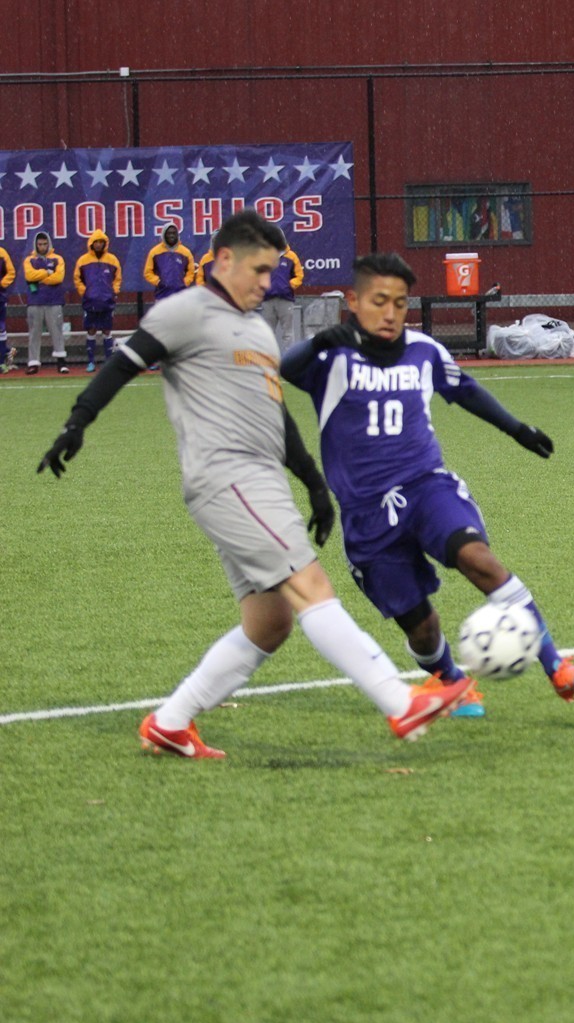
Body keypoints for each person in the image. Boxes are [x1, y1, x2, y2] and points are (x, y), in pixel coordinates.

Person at [37, 211, 472, 759]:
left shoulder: (258, 330)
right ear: (225, 260)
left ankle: (171, 723)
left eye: (274, 272)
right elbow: (123, 364)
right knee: (311, 586)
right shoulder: (186, 311)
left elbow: (276, 416)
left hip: (260, 479)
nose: (268, 283)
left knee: (269, 624)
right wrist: (77, 421)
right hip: (228, 475)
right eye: (261, 270)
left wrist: (313, 482)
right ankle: (398, 701)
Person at [280, 252, 574, 716]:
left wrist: (517, 429)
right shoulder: (332, 358)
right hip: (365, 512)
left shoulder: (424, 350)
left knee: (479, 559)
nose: (390, 313)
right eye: (377, 302)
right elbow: (287, 368)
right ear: (352, 301)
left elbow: (464, 389)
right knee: (421, 626)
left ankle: (557, 667)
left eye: (400, 303)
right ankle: (452, 680)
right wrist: (320, 341)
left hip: (425, 486)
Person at [74, 230, 122, 374]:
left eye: (102, 242)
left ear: (105, 243)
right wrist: (85, 292)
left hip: (107, 301)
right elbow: (77, 279)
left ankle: (108, 362)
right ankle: (90, 362)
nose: (99, 244)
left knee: (107, 330)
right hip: (91, 301)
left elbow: (117, 278)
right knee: (91, 330)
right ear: (92, 244)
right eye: (97, 242)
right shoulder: (83, 260)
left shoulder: (112, 259)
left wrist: (114, 292)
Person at [23, 232, 68, 374]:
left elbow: (58, 278)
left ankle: (61, 362)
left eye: (44, 244)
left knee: (57, 332)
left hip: (54, 300)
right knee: (34, 332)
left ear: (49, 244)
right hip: (35, 301)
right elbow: (29, 276)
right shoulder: (29, 260)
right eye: (39, 244)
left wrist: (41, 278)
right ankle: (33, 363)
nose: (42, 247)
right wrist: (47, 272)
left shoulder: (57, 259)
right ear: (36, 245)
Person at [257, 241, 305, 353]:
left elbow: (299, 275)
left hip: (286, 299)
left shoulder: (291, 256)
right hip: (267, 300)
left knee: (288, 332)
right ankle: (269, 357)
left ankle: (290, 357)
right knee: (268, 332)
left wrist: (291, 284)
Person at [143, 224, 197, 302]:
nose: (171, 236)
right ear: (164, 235)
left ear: (177, 235)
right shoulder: (154, 252)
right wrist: (158, 282)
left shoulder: (186, 252)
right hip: (162, 295)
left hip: (181, 295)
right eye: (169, 233)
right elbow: (147, 272)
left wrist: (184, 283)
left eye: (174, 233)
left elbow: (191, 272)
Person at [0, 244, 15, 373]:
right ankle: (7, 351)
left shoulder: (2, 253)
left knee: (1, 329)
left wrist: (1, 284)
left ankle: (1, 362)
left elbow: (11, 272)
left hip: (0, 297)